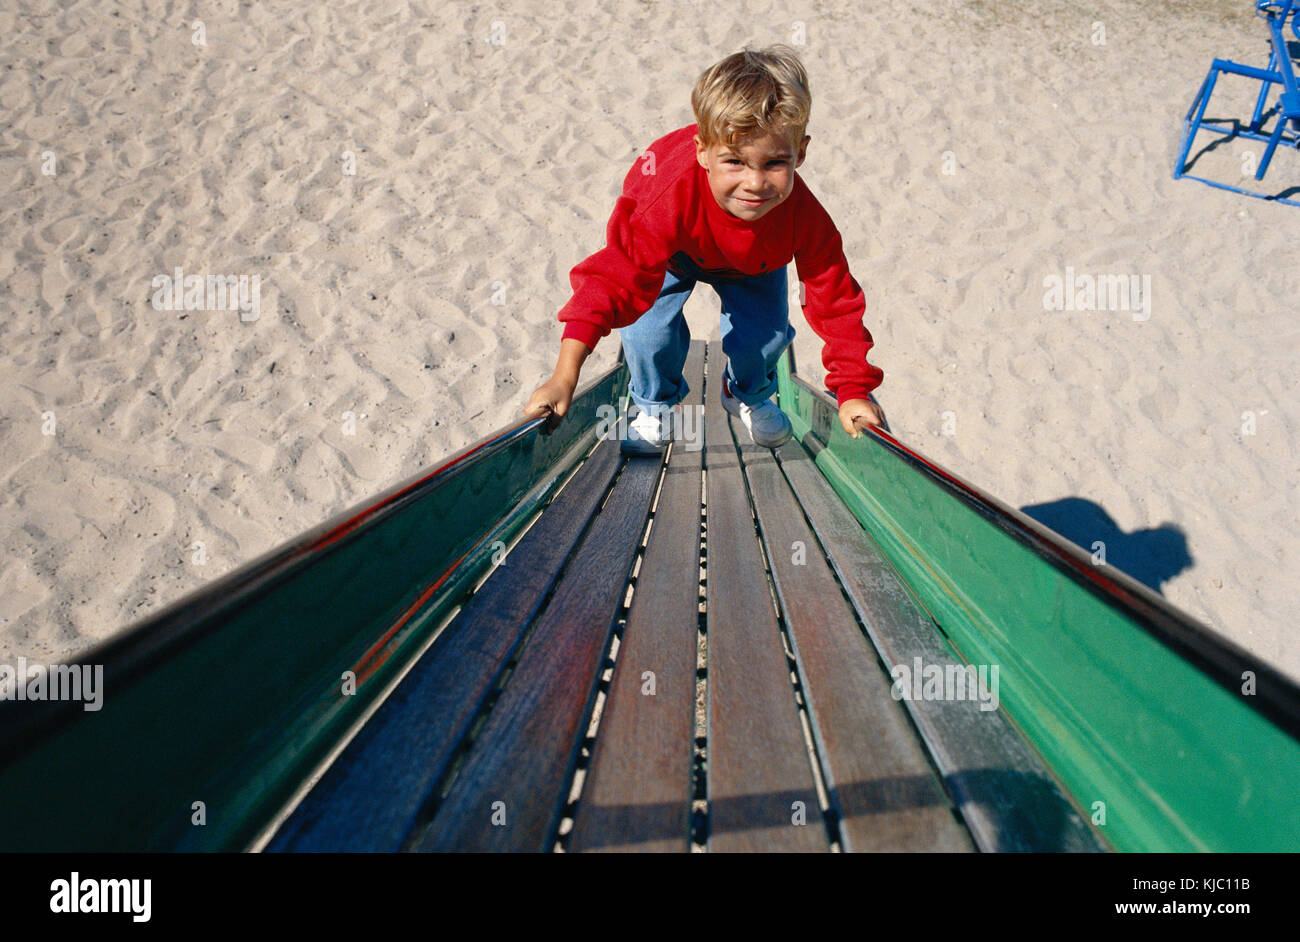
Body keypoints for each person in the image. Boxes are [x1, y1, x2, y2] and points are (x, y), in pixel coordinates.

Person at [524, 44, 884, 454]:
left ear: (800, 153)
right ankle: (655, 404)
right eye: (734, 161)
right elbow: (613, 279)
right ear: (702, 152)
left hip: (755, 261)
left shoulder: (801, 214)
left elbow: (834, 297)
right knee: (647, 333)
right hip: (675, 253)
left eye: (773, 164)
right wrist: (564, 375)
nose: (754, 183)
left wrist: (853, 390)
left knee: (764, 338)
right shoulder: (666, 195)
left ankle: (746, 393)